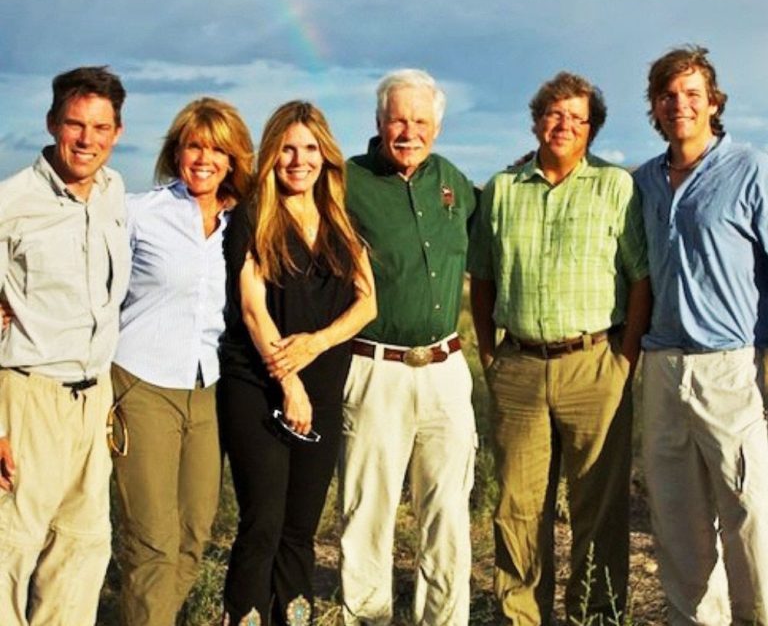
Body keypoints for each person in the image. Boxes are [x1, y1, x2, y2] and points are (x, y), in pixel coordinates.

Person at [469, 71, 650, 625]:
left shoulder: (616, 188)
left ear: (592, 128)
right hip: (519, 366)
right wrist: (491, 355)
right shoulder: (502, 190)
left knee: (598, 504)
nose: (564, 125)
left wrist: (623, 361)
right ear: (536, 120)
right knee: (518, 508)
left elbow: (640, 279)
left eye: (578, 117)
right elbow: (482, 279)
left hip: (595, 366)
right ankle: (521, 614)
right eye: (554, 113)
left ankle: (596, 613)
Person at [219, 101, 376, 625]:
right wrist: (290, 381)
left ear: (326, 157)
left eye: (310, 149)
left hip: (324, 392)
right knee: (262, 523)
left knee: (300, 529)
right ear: (271, 154)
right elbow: (251, 307)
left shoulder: (339, 219)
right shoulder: (252, 215)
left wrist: (318, 342)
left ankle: (293, 617)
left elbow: (367, 303)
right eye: (287, 148)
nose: (298, 160)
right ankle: (243, 617)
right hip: (258, 388)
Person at [635, 45, 768, 625]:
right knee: (677, 518)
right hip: (662, 368)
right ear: (655, 107)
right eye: (668, 95)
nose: (679, 105)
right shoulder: (644, 181)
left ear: (713, 103)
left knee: (750, 514)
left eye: (692, 94)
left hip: (730, 367)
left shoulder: (750, 169)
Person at [340, 69, 477, 626]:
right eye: (398, 119)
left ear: (437, 128)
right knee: (367, 514)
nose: (408, 131)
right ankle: (366, 619)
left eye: (420, 121)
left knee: (446, 516)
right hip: (374, 369)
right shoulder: (347, 181)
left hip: (446, 369)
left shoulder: (453, 182)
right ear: (378, 122)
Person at [110, 98, 255, 625]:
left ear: (234, 157)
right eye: (194, 145)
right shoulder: (139, 212)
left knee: (194, 533)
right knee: (153, 540)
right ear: (177, 151)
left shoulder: (244, 223)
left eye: (217, 148)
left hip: (207, 389)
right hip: (141, 383)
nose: (204, 158)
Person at [0, 66, 130, 626]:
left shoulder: (115, 192)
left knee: (82, 549)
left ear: (117, 131)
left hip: (94, 400)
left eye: (100, 127)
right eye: (75, 124)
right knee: (11, 547)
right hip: (29, 395)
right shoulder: (12, 202)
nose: (87, 140)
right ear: (52, 124)